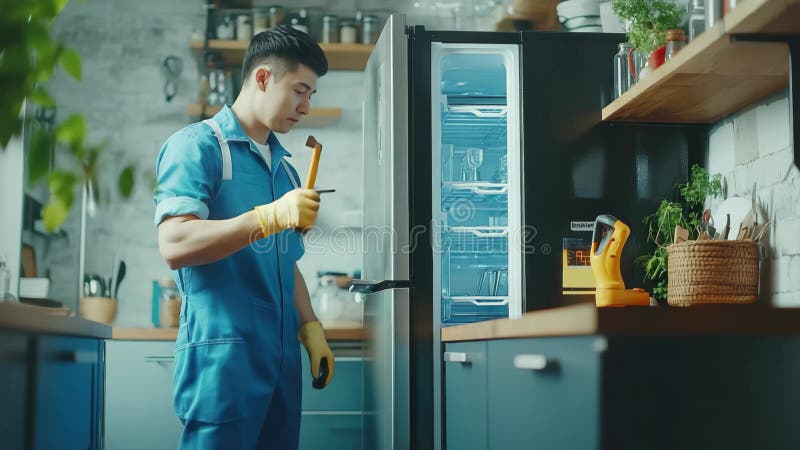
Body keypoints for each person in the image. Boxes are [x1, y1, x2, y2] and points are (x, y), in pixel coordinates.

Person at [154, 25, 334, 450]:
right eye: (300, 90)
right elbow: (174, 244)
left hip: (281, 366)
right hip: (225, 363)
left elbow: (283, 264)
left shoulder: (287, 171)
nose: (306, 106)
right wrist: (269, 216)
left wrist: (311, 328)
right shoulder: (197, 147)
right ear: (263, 78)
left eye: (311, 95)